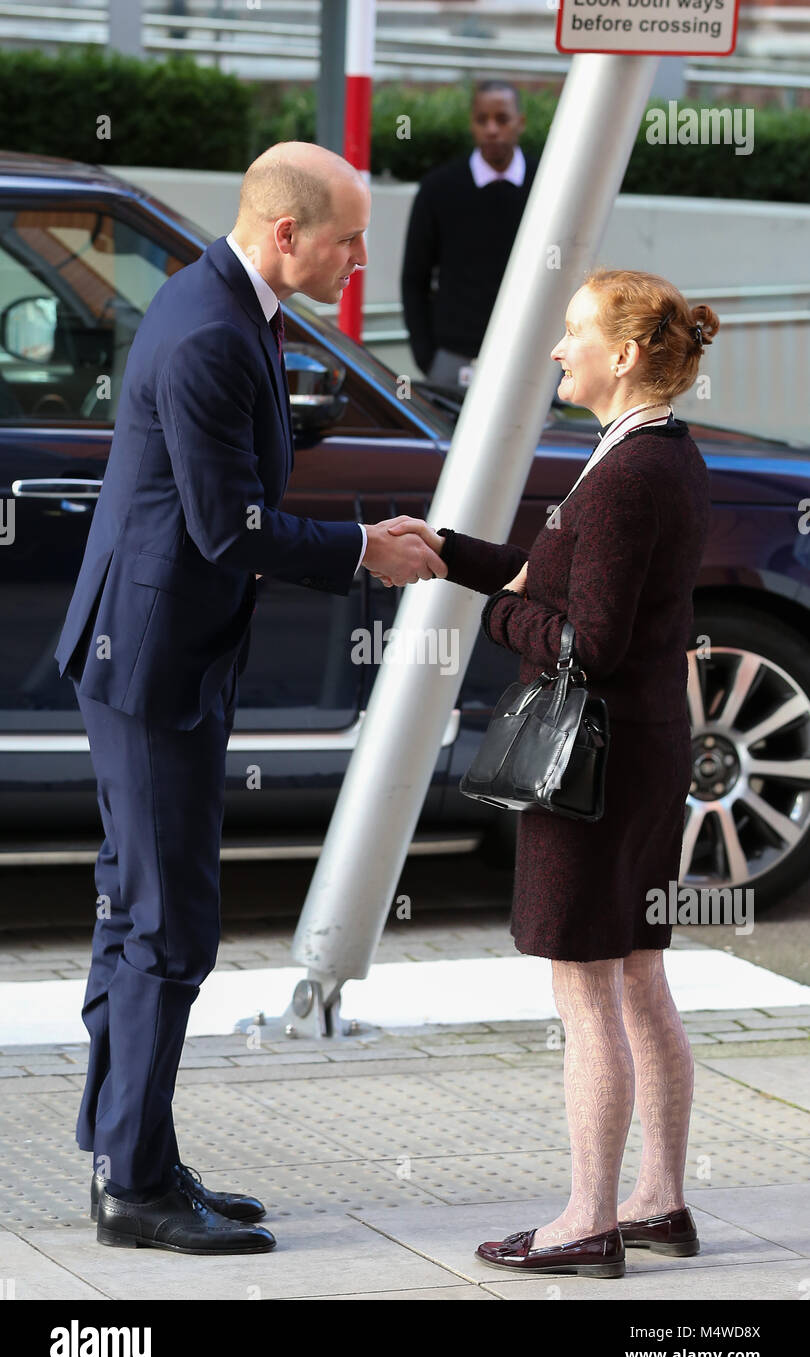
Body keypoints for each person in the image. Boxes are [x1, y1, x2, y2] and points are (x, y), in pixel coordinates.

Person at [52, 141, 447, 1256]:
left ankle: (131, 1155)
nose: (361, 258)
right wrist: (365, 549)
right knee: (168, 925)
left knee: (140, 913)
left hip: (160, 653)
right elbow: (233, 528)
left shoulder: (230, 305)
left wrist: (363, 532)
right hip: (150, 664)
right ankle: (133, 1184)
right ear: (287, 234)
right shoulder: (213, 332)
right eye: (347, 238)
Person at [387, 269, 718, 1277]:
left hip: (591, 764)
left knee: (587, 992)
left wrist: (491, 615)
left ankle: (587, 1218)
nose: (555, 349)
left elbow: (593, 637)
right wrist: (450, 555)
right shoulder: (661, 453)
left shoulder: (623, 477)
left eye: (573, 333)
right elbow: (554, 577)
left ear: (622, 357)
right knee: (642, 975)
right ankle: (656, 1199)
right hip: (645, 750)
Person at [400, 80, 539, 391]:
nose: (491, 129)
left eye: (502, 119)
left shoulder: (547, 183)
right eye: (482, 120)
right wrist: (428, 357)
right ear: (472, 123)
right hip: (453, 360)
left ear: (520, 122)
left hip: (534, 358)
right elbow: (414, 278)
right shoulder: (439, 188)